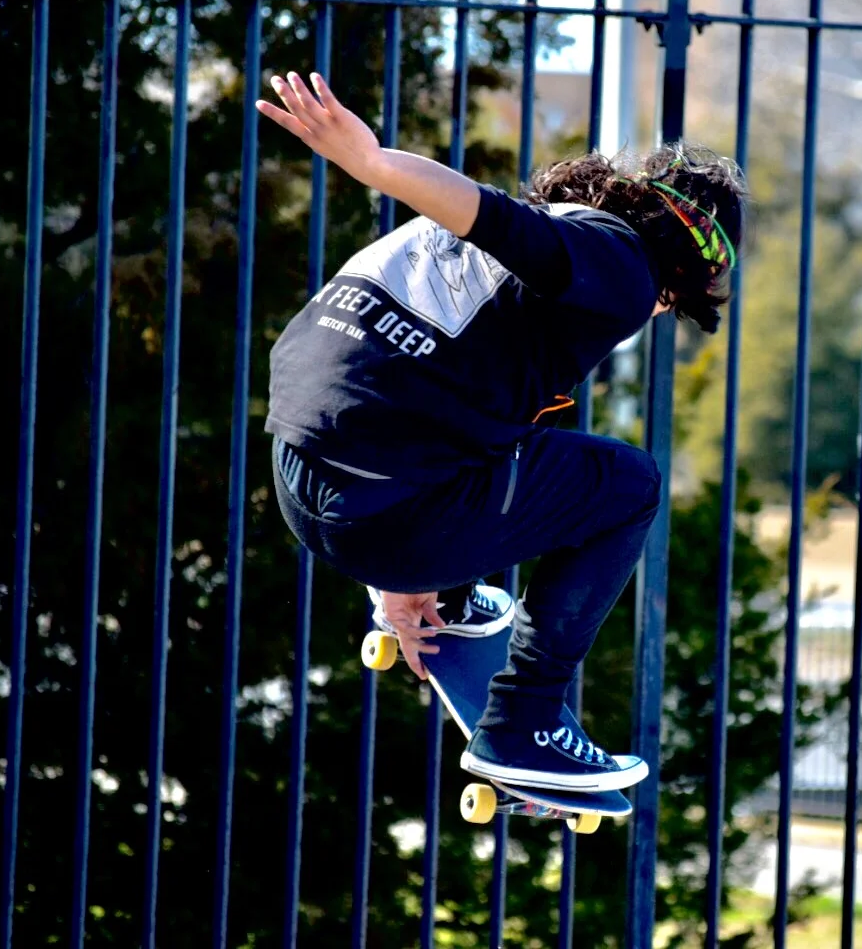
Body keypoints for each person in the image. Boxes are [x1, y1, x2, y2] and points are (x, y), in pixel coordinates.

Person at [257, 71, 745, 792]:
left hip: (305, 485)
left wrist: (405, 578)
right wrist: (374, 164)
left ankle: (444, 593)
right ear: (686, 263)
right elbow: (489, 215)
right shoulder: (621, 262)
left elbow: (391, 389)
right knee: (629, 486)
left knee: (515, 433)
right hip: (383, 513)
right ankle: (524, 724)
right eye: (675, 304)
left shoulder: (511, 257)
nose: (656, 315)